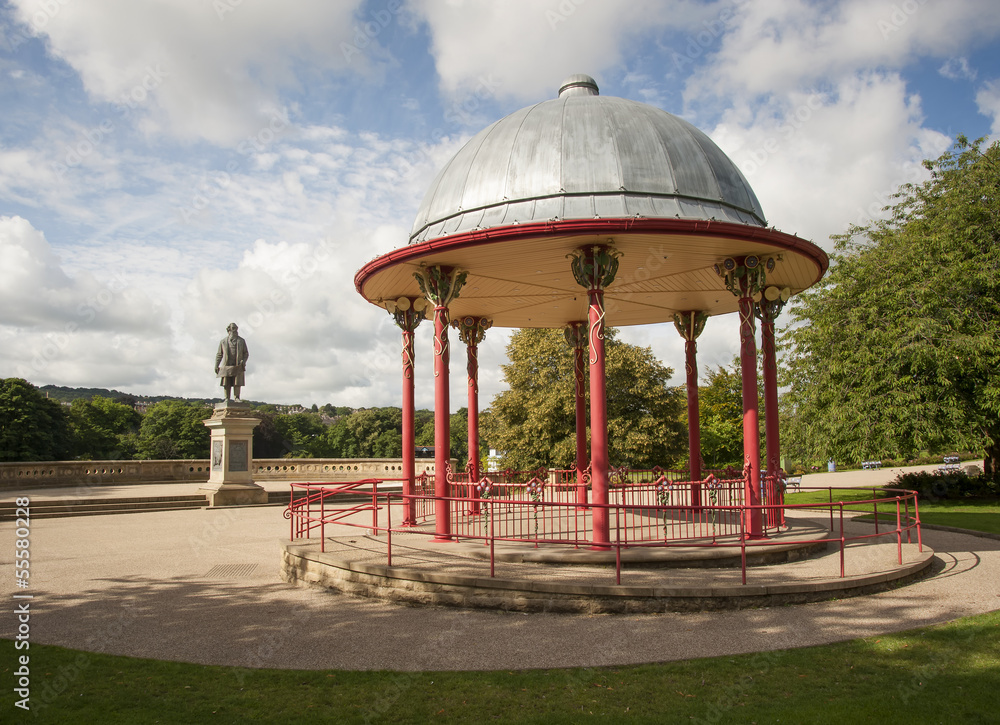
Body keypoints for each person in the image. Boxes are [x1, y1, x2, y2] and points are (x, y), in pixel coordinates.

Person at [215, 323, 249, 401]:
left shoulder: (241, 341)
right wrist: (216, 365)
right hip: (227, 365)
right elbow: (219, 354)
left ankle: (236, 397)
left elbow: (246, 353)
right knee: (226, 383)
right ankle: (227, 398)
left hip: (237, 365)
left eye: (236, 328)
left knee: (237, 383)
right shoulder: (223, 341)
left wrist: (243, 361)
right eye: (233, 328)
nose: (235, 330)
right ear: (229, 330)